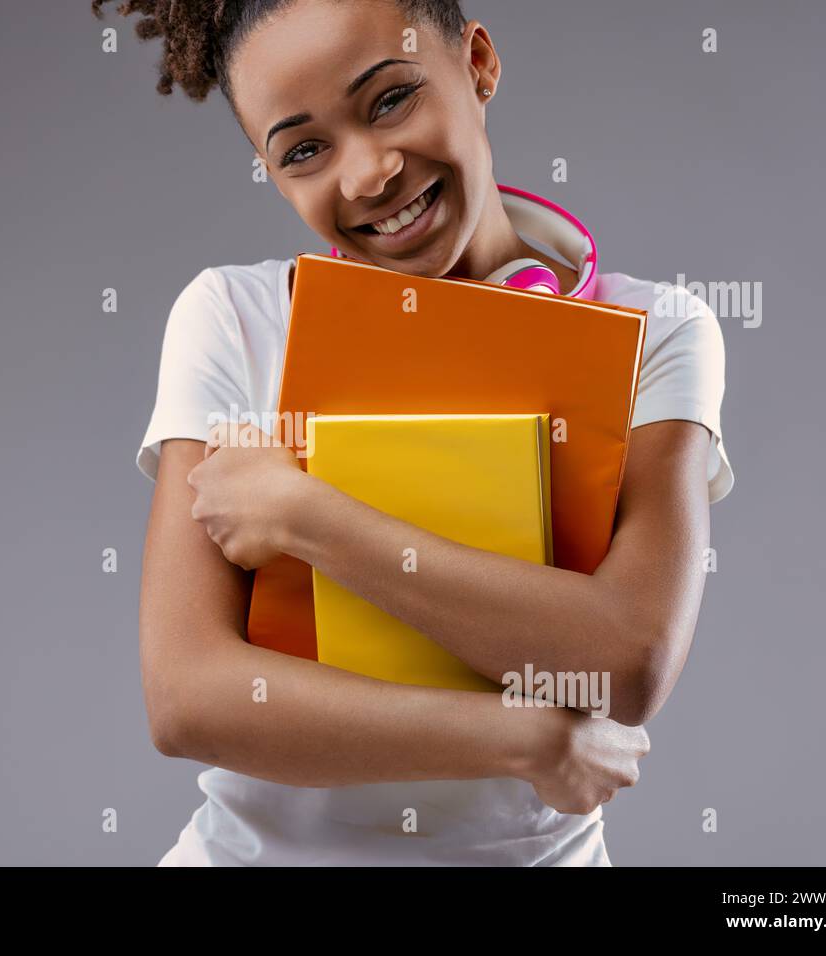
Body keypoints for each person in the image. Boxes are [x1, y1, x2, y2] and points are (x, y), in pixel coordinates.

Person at [94, 0, 735, 865]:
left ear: (477, 63)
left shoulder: (656, 330)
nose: (367, 173)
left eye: (391, 100)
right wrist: (521, 736)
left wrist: (305, 516)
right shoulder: (237, 320)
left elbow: (625, 661)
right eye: (304, 150)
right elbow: (189, 698)